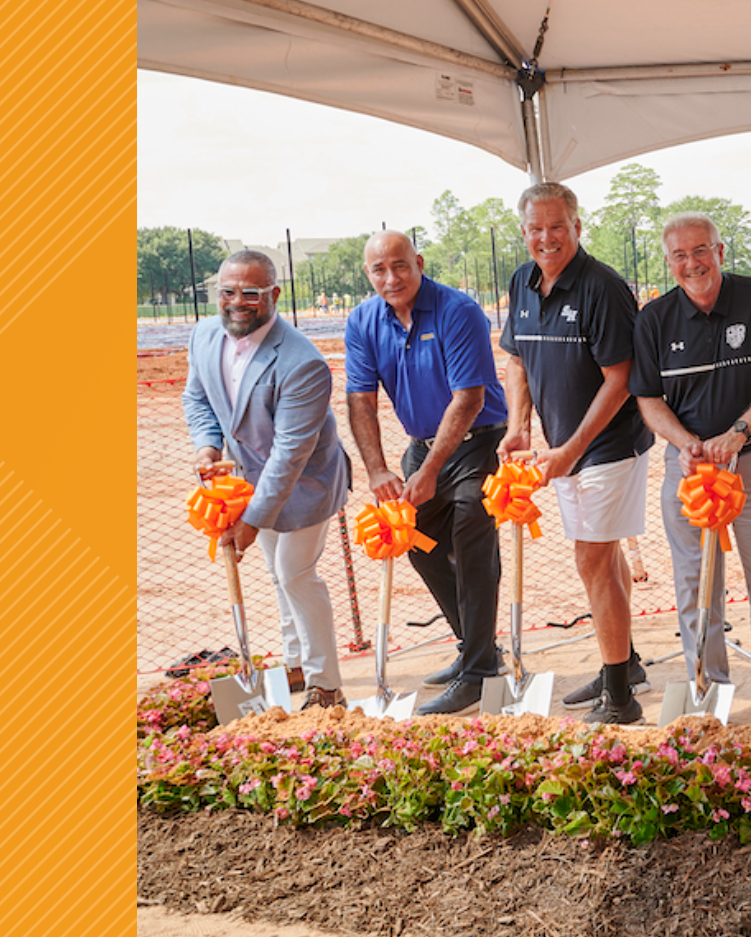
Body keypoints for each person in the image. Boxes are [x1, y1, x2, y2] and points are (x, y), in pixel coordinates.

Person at [632, 213, 751, 719]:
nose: (693, 264)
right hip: (689, 470)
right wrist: (686, 442)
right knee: (694, 582)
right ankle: (707, 683)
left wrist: (739, 432)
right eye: (681, 256)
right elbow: (648, 399)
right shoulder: (654, 319)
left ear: (721, 251)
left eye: (702, 251)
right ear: (669, 262)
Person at [498, 182, 655, 725]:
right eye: (536, 228)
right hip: (561, 448)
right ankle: (625, 664)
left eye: (557, 226)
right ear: (524, 232)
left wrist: (570, 450)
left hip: (608, 445)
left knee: (591, 558)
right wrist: (520, 427)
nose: (547, 238)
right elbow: (516, 359)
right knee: (604, 558)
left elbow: (620, 380)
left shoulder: (603, 288)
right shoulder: (521, 281)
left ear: (577, 227)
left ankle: (620, 698)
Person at [344, 231, 509, 715]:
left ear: (418, 262)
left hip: (477, 441)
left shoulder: (459, 311)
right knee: (416, 541)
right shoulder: (363, 320)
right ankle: (477, 647)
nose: (391, 278)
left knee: (472, 540)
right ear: (368, 273)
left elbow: (469, 398)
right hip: (421, 447)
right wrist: (377, 470)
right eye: (379, 269)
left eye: (400, 265)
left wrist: (433, 468)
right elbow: (360, 400)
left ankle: (479, 674)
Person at [182, 250, 352, 709]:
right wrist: (208, 447)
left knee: (295, 574)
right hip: (252, 479)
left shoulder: (302, 362)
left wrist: (252, 521)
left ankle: (326, 685)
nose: (238, 302)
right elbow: (197, 399)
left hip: (305, 483)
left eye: (251, 293)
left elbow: (290, 453)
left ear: (274, 294)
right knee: (278, 577)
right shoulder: (202, 336)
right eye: (228, 292)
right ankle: (294, 662)